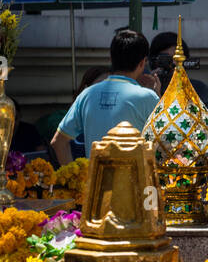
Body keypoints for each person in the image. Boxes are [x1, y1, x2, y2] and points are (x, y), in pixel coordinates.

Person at [50, 30, 160, 164]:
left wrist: (76, 181)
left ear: (111, 58)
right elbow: (166, 144)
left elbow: (58, 142)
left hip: (95, 183)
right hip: (135, 184)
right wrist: (157, 95)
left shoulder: (87, 94)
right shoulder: (148, 97)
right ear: (143, 63)